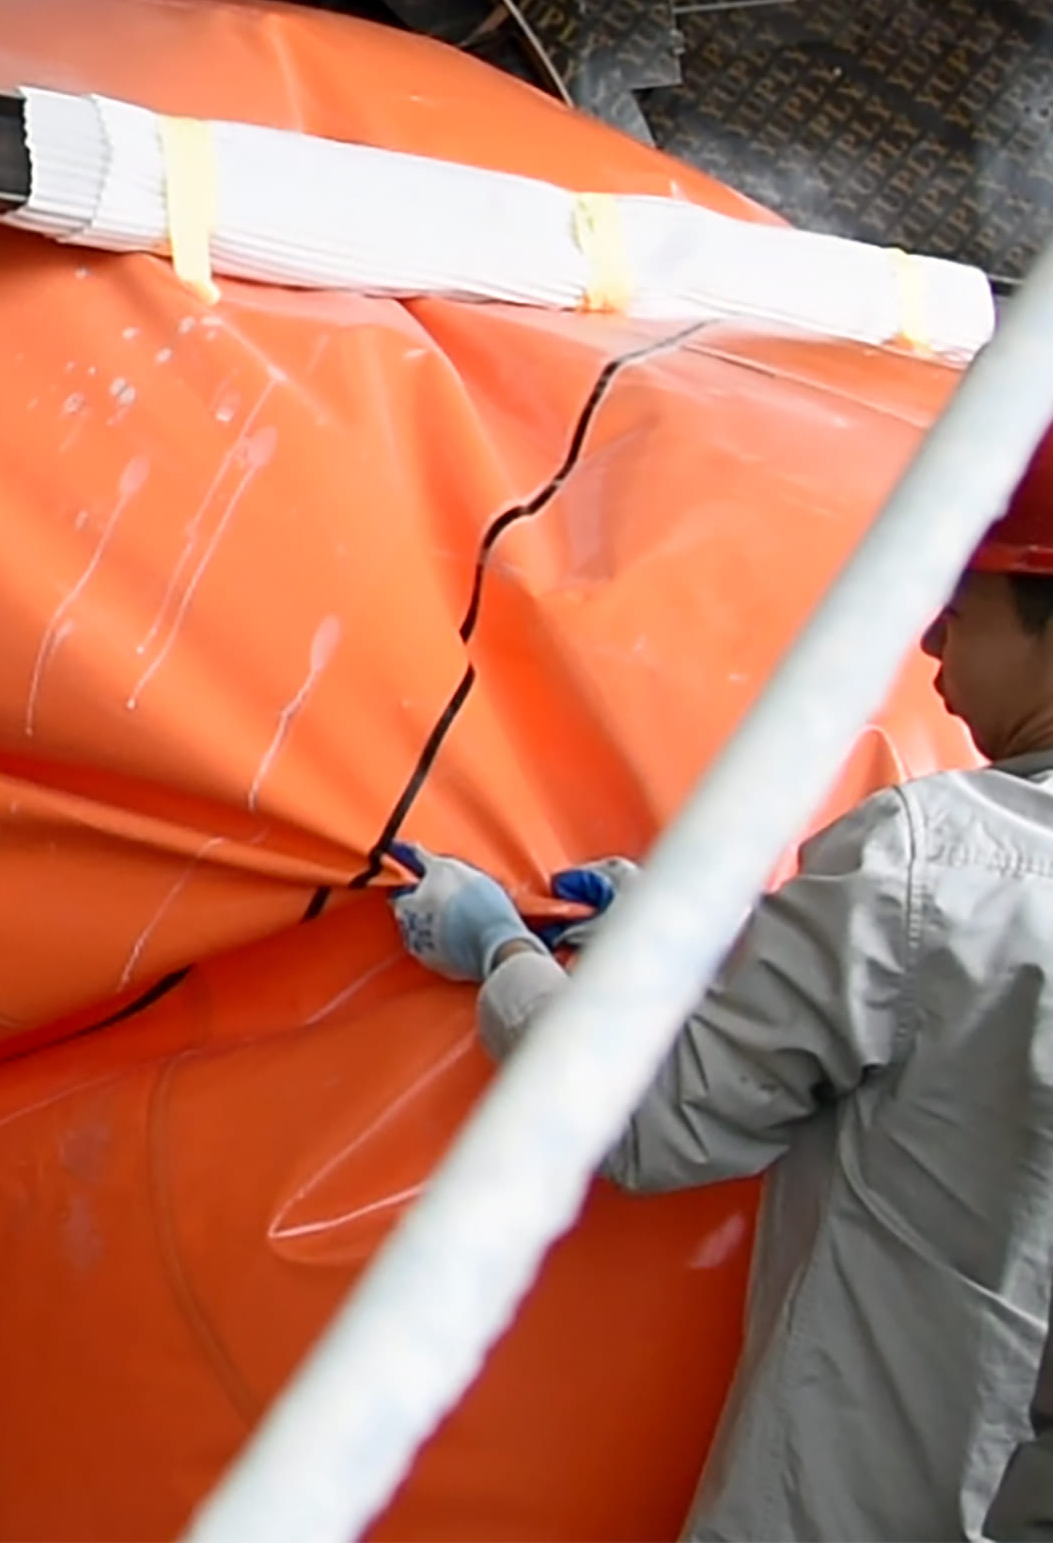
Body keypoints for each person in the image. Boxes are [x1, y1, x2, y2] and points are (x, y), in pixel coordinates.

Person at [389, 432, 1053, 1543]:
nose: (932, 644)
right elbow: (966, 1043)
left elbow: (646, 1125)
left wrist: (501, 951)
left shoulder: (928, 857)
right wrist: (736, 940)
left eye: (962, 601)